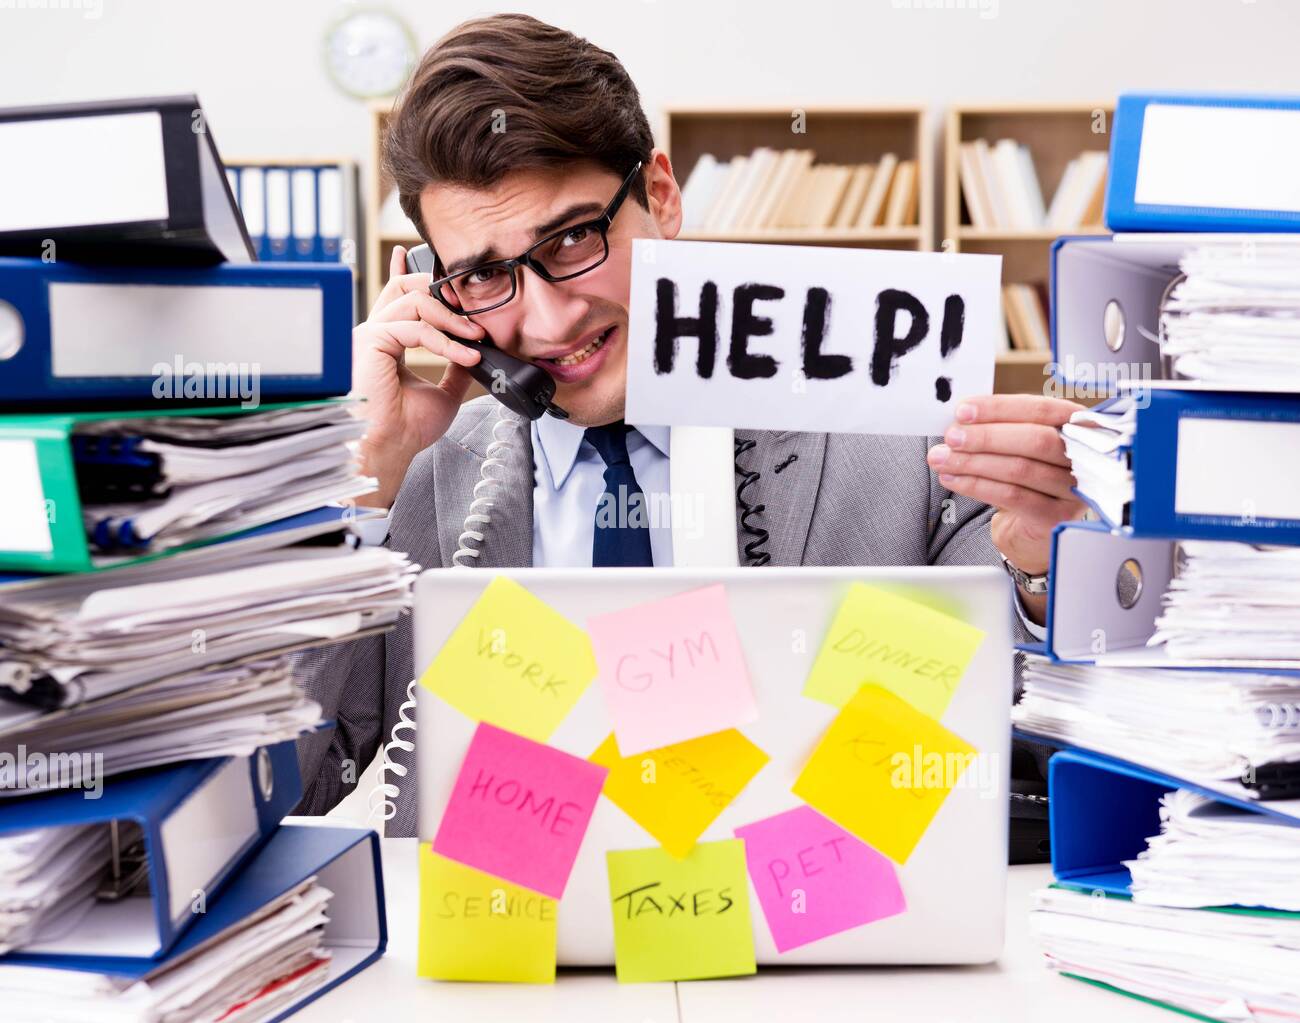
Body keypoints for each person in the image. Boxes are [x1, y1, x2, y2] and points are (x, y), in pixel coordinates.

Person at [294, 12, 1086, 834]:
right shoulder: (410, 485)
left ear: (661, 198)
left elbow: (1034, 746)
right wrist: (360, 478)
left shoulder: (897, 440)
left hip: (823, 943)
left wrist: (1039, 566)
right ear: (435, 292)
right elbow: (265, 792)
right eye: (486, 276)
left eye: (571, 240)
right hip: (508, 949)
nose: (550, 319)